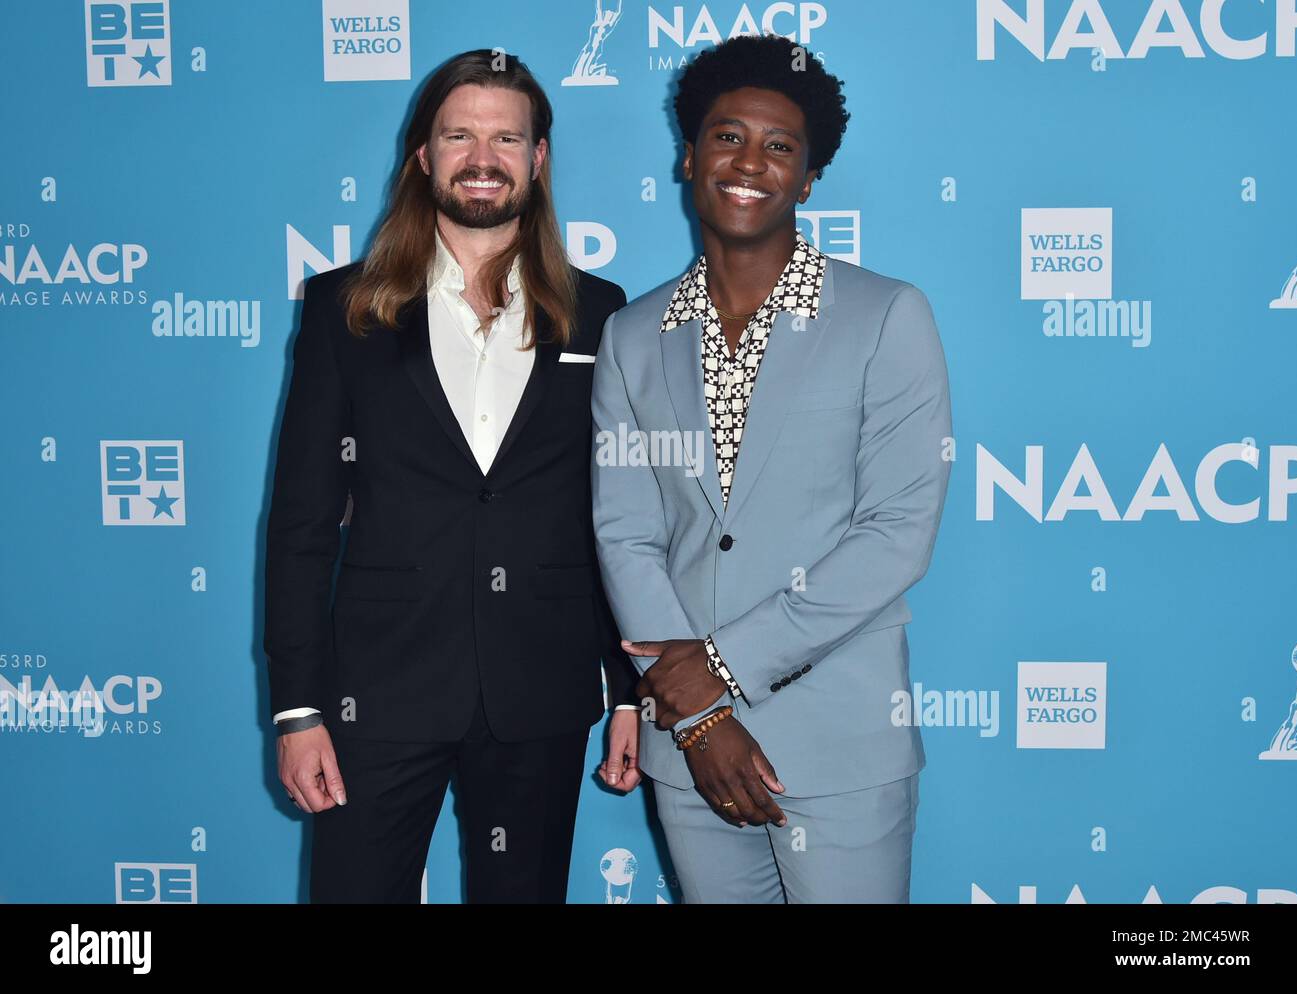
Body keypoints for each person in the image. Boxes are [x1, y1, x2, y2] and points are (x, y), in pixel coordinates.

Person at [265, 49, 640, 904]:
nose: (484, 157)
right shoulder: (344, 308)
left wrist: (630, 694)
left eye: (507, 138)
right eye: (459, 134)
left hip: (538, 691)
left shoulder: (599, 311)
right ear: (423, 155)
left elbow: (616, 520)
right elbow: (300, 525)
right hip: (376, 696)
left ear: (538, 159)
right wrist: (299, 710)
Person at [592, 34, 952, 903]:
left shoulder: (885, 316)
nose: (749, 162)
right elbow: (627, 530)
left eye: (779, 146)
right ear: (688, 155)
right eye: (727, 136)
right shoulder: (632, 336)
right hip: (693, 755)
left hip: (840, 745)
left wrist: (718, 669)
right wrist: (704, 719)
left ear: (809, 175)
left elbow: (896, 535)